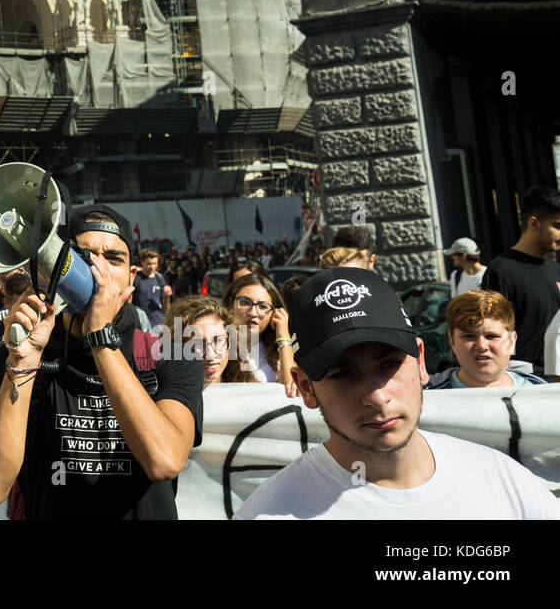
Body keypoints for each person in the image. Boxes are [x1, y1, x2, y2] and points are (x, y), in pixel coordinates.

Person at [235, 268, 560, 519]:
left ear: (420, 362)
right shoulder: (269, 511)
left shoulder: (503, 480)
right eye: (344, 374)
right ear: (306, 387)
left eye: (389, 365)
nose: (377, 397)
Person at [0, 205, 204, 519]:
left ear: (131, 275)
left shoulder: (170, 353)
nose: (97, 267)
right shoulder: (11, 355)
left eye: (114, 258)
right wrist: (22, 361)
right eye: (81, 256)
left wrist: (99, 337)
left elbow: (164, 461)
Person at [481, 185, 560, 375]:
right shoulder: (501, 270)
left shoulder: (555, 269)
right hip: (525, 382)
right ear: (534, 223)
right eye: (557, 226)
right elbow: (492, 332)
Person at [424, 291, 548, 389]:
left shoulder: (540, 391)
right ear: (452, 341)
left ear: (511, 341)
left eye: (491, 336)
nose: (482, 346)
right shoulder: (426, 395)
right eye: (469, 336)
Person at [221, 274, 298, 397]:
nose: (253, 313)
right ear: (230, 304)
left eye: (263, 306)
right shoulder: (216, 345)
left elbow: (293, 391)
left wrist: (284, 339)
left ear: (275, 313)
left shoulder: (277, 350)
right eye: (245, 302)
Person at [162, 297, 256, 386]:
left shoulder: (250, 389)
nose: (210, 355)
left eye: (218, 340)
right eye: (198, 344)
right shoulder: (160, 396)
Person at [134, 249, 172, 329]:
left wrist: (167, 296)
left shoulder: (160, 278)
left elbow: (165, 305)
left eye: (155, 263)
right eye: (149, 264)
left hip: (158, 323)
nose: (152, 267)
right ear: (142, 262)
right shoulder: (135, 277)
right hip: (141, 323)